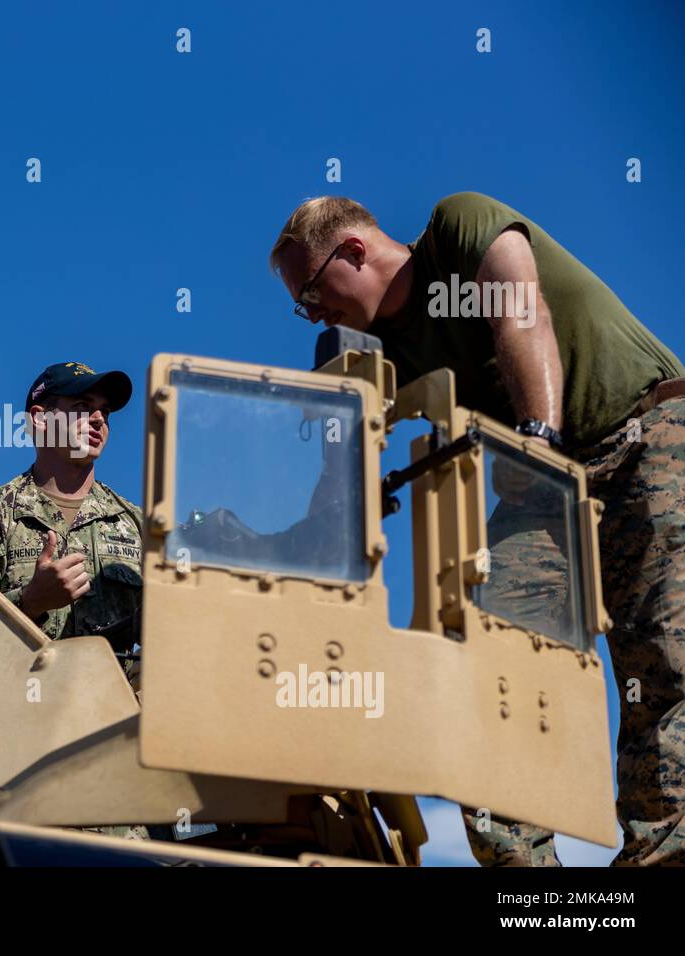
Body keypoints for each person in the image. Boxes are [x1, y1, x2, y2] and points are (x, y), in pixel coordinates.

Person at [269, 192, 685, 867]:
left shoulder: (456, 230)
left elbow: (521, 314)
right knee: (481, 669)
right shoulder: (381, 352)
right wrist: (302, 541)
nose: (313, 314)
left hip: (650, 437)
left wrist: (540, 443)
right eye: (303, 306)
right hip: (545, 479)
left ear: (353, 251)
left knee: (667, 663)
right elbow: (340, 468)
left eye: (312, 293)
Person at [0, 362, 144, 658]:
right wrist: (30, 602)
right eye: (83, 406)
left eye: (104, 412)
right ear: (40, 419)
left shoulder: (137, 524)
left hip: (117, 702)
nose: (98, 420)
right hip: (16, 700)